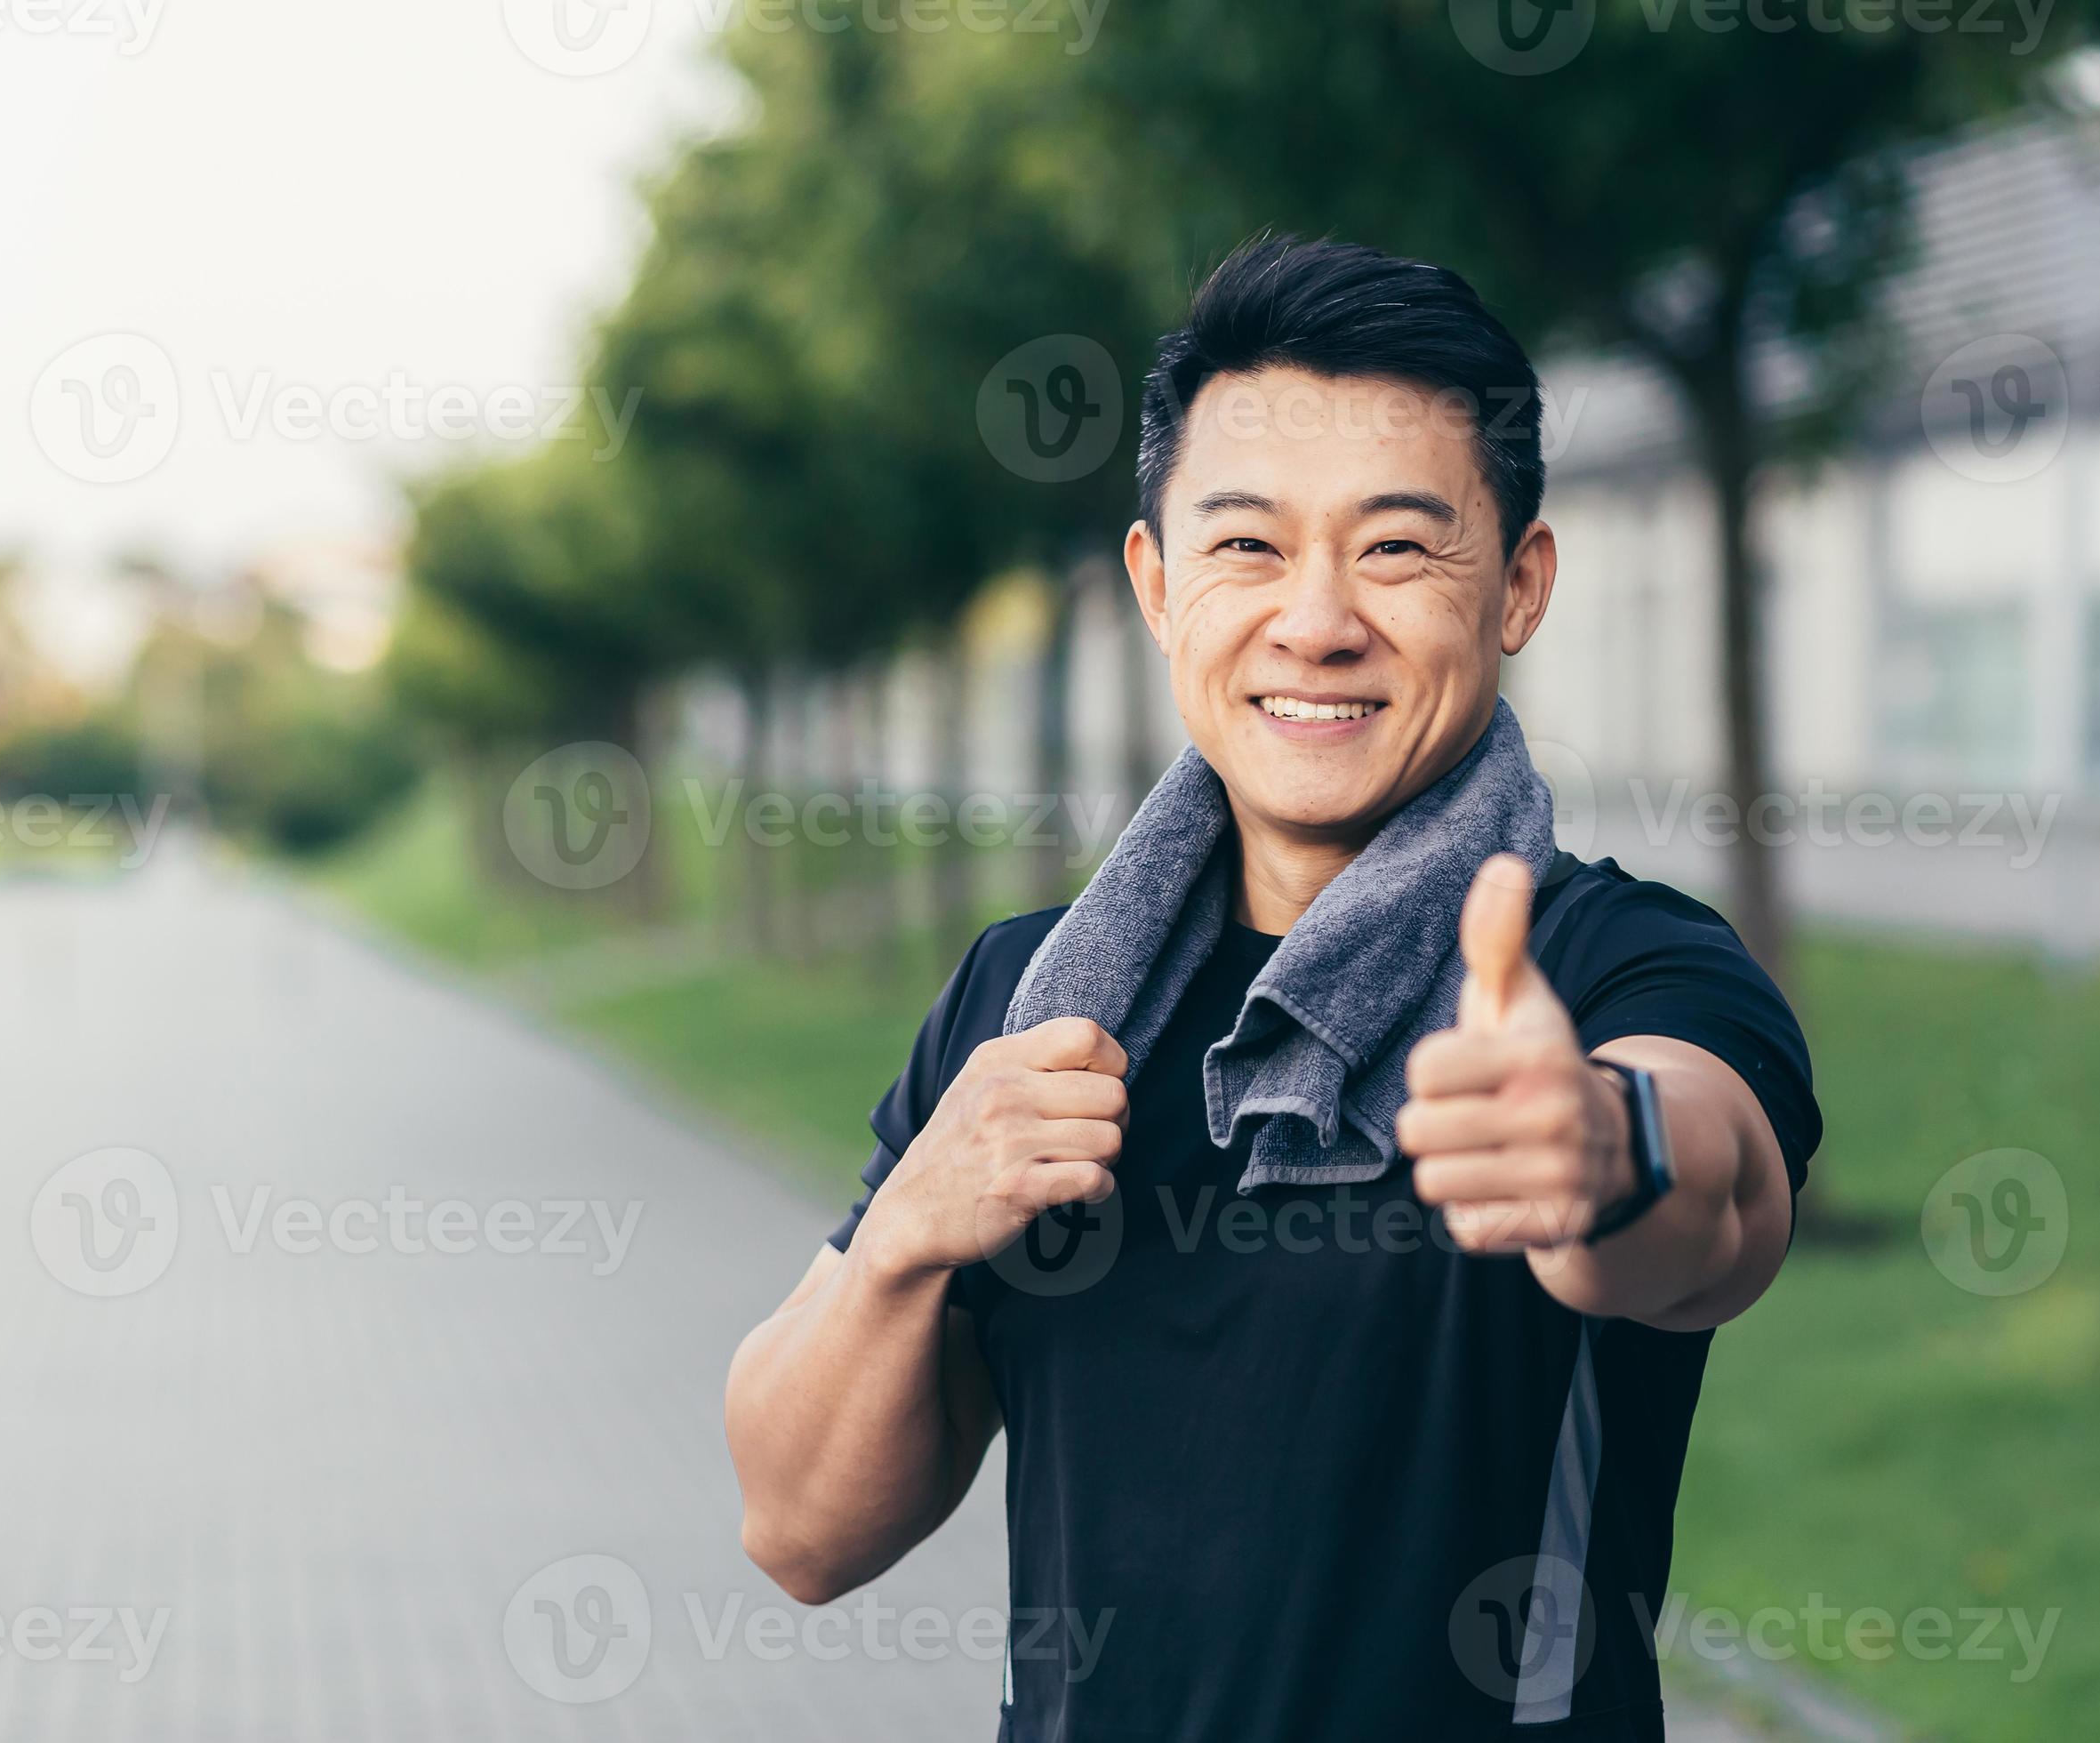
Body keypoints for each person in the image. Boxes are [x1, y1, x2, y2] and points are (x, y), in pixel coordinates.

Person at [724, 236, 1821, 1742]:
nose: (1316, 620)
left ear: (1520, 584)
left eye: (1395, 548)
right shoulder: (1033, 1003)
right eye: (1247, 546)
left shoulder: (1612, 967)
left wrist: (1597, 1146)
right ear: (1157, 585)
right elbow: (801, 1531)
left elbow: (1718, 1205)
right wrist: (911, 1226)